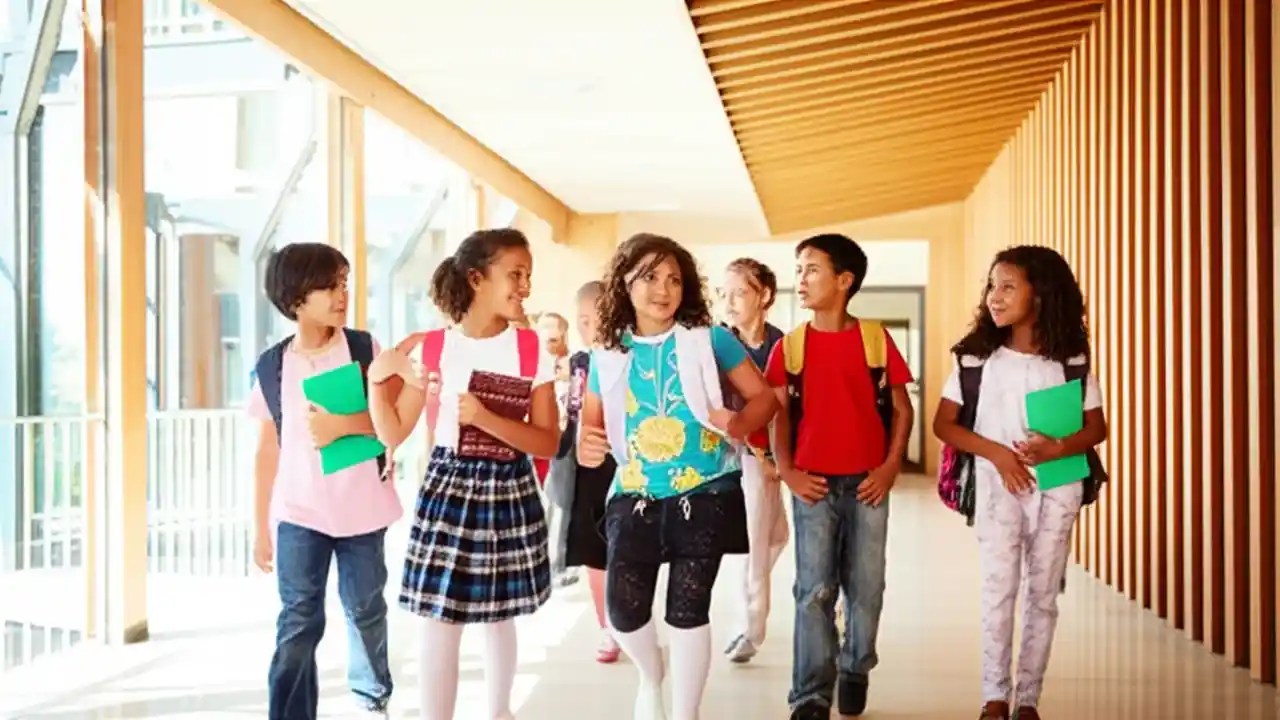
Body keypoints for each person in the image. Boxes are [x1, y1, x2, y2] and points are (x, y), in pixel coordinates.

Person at [577, 233, 778, 720]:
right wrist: (587, 447)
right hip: (636, 492)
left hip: (705, 489)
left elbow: (766, 398)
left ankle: (685, 714)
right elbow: (591, 425)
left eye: (674, 279)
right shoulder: (608, 354)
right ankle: (650, 676)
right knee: (624, 611)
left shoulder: (711, 340)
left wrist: (739, 424)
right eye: (649, 277)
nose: (663, 289)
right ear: (624, 283)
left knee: (688, 609)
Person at [366, 228, 560, 720]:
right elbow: (393, 431)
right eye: (514, 274)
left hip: (510, 483)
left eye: (528, 276)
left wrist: (487, 419)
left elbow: (548, 441)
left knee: (500, 613)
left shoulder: (532, 348)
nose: (524, 286)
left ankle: (499, 712)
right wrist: (376, 380)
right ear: (476, 278)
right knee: (440, 617)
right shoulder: (431, 348)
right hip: (449, 483)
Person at [932, 246, 1108, 720]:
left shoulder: (1069, 359)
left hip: (1059, 484)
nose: (995, 295)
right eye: (992, 285)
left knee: (1043, 593)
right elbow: (944, 426)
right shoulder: (975, 358)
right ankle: (994, 694)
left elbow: (1097, 429)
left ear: (1041, 294)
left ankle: (1027, 697)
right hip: (997, 487)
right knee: (999, 589)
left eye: (1008, 285)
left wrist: (1056, 448)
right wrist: (997, 454)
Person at [248, 242, 401, 719]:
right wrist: (260, 527)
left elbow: (391, 422)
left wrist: (346, 424)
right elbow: (267, 449)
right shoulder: (273, 366)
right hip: (298, 514)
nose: (342, 295)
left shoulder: (363, 349)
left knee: (365, 610)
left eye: (345, 284)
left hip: (361, 510)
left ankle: (371, 700)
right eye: (330, 286)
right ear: (295, 299)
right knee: (298, 621)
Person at [765, 233, 914, 720]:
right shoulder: (790, 347)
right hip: (813, 484)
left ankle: (855, 666)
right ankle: (809, 694)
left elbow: (901, 408)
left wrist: (891, 466)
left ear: (844, 280)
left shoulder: (874, 338)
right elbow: (778, 415)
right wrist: (787, 470)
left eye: (811, 269)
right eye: (799, 269)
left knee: (866, 587)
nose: (801, 279)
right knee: (813, 591)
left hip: (869, 483)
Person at [719, 258, 789, 665]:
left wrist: (781, 458)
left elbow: (785, 406)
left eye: (739, 293)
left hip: (777, 456)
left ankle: (749, 613)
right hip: (741, 456)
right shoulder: (720, 344)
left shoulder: (783, 344)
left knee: (777, 536)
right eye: (723, 293)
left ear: (763, 296)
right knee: (757, 544)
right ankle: (751, 628)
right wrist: (761, 456)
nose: (728, 302)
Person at [558, 280, 622, 663]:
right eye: (581, 320)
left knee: (627, 549)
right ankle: (606, 627)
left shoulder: (631, 358)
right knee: (592, 551)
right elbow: (573, 414)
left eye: (595, 319)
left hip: (626, 461)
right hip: (586, 465)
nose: (589, 328)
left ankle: (628, 622)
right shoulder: (579, 362)